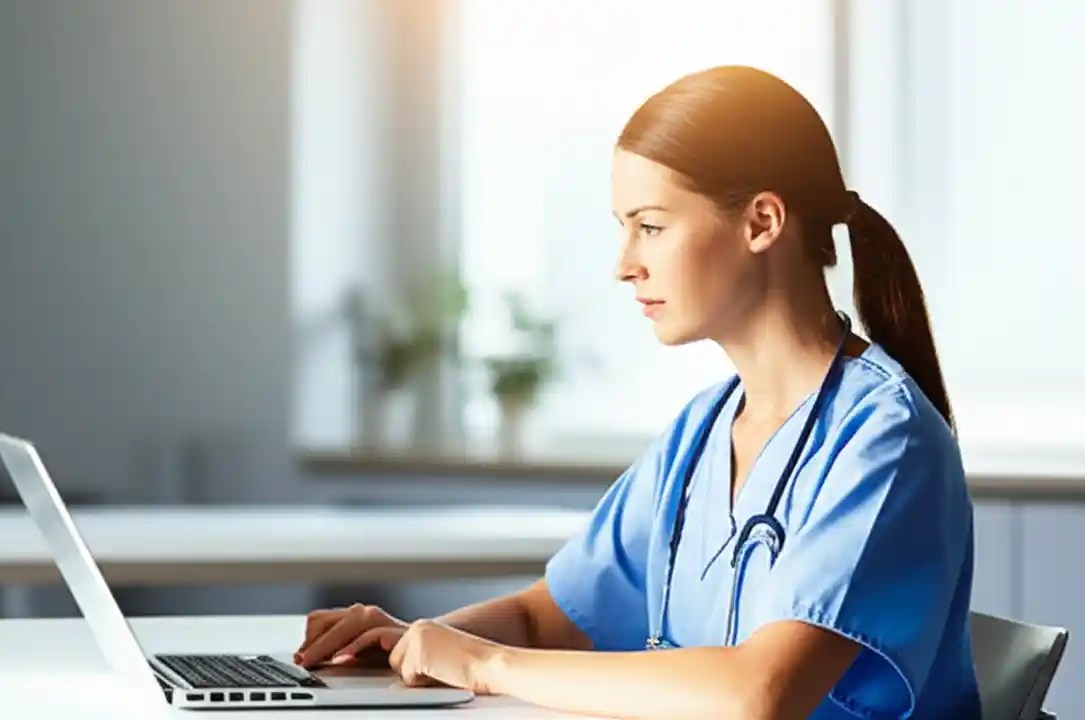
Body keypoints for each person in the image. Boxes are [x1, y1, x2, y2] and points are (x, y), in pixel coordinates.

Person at [295, 65, 981, 719]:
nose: (624, 265)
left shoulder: (884, 439)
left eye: (650, 226)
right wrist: (416, 640)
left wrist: (486, 665)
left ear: (763, 222)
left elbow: (758, 695)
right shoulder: (703, 431)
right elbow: (550, 616)